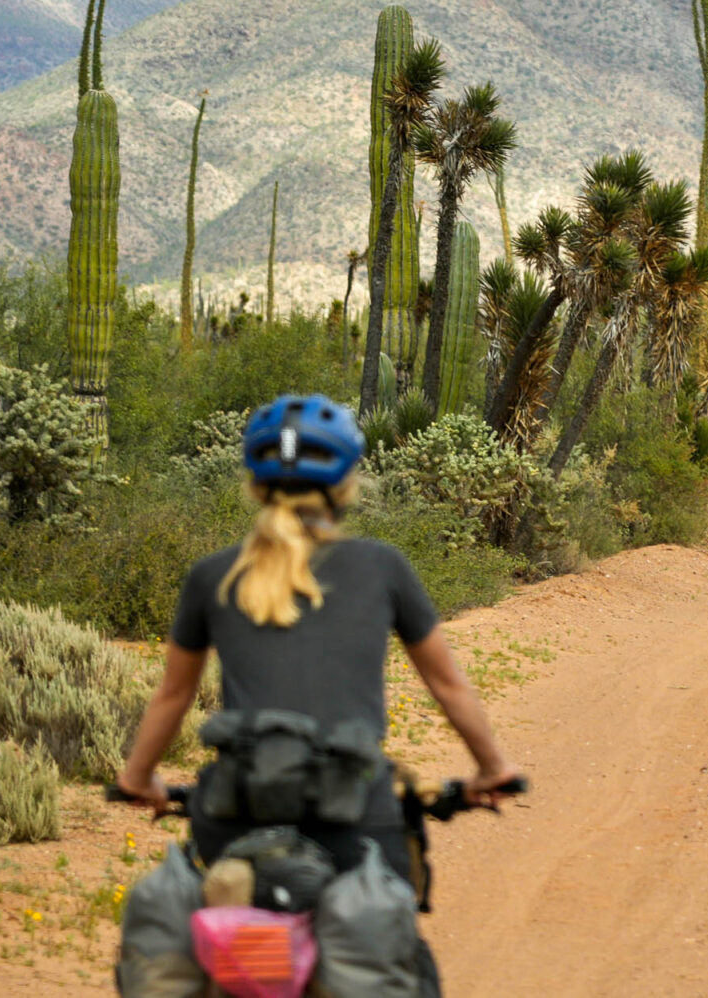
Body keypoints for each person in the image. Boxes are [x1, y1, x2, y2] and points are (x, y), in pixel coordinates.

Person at [116, 394, 523, 981]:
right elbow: (447, 684)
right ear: (347, 482)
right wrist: (491, 769)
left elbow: (173, 697)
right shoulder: (382, 567)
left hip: (233, 811)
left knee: (205, 948)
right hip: (355, 811)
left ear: (254, 484)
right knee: (389, 961)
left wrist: (137, 778)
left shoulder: (212, 576)